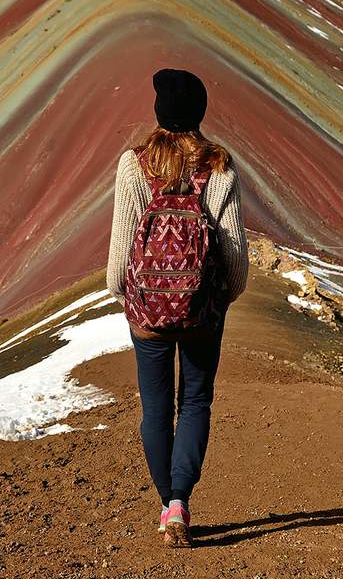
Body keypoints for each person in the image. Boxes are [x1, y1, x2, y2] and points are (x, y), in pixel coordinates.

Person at [105, 68, 249, 548]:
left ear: (159, 113)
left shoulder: (135, 165)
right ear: (200, 114)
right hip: (202, 315)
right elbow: (233, 256)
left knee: (155, 408)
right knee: (195, 401)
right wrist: (219, 298)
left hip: (147, 314)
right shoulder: (220, 167)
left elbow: (120, 251)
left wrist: (131, 297)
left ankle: (167, 503)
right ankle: (182, 501)